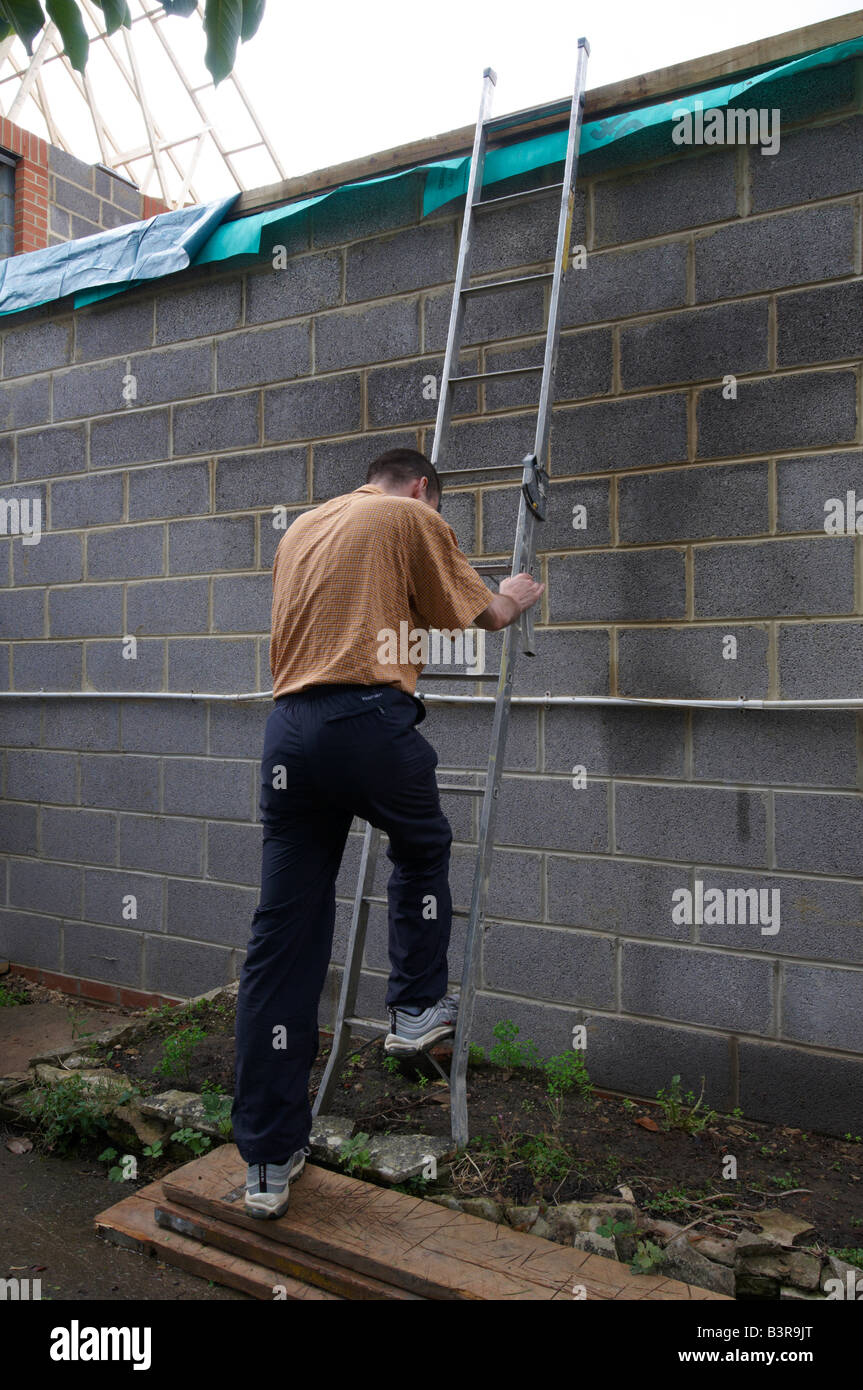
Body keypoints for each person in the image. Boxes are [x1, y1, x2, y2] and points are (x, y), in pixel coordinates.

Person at [231, 447, 544, 1218]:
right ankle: (411, 1011)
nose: (435, 520)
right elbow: (482, 618)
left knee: (284, 935)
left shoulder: (306, 525)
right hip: (366, 723)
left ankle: (267, 1162)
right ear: (423, 487)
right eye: (437, 507)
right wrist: (514, 592)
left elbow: (379, 615)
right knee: (424, 845)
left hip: (287, 734)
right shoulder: (408, 515)